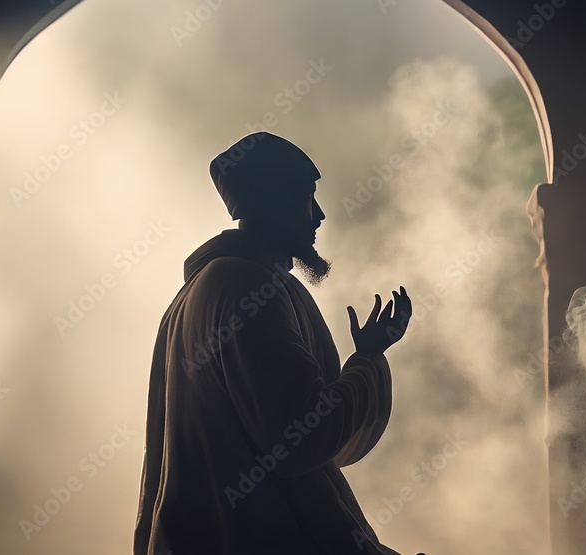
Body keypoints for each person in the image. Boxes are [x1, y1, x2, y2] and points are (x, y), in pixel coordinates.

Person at [133, 132, 413, 555]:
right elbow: (302, 440)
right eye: (307, 197)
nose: (318, 215)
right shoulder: (247, 285)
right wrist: (369, 357)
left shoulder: (197, 295)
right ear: (273, 201)